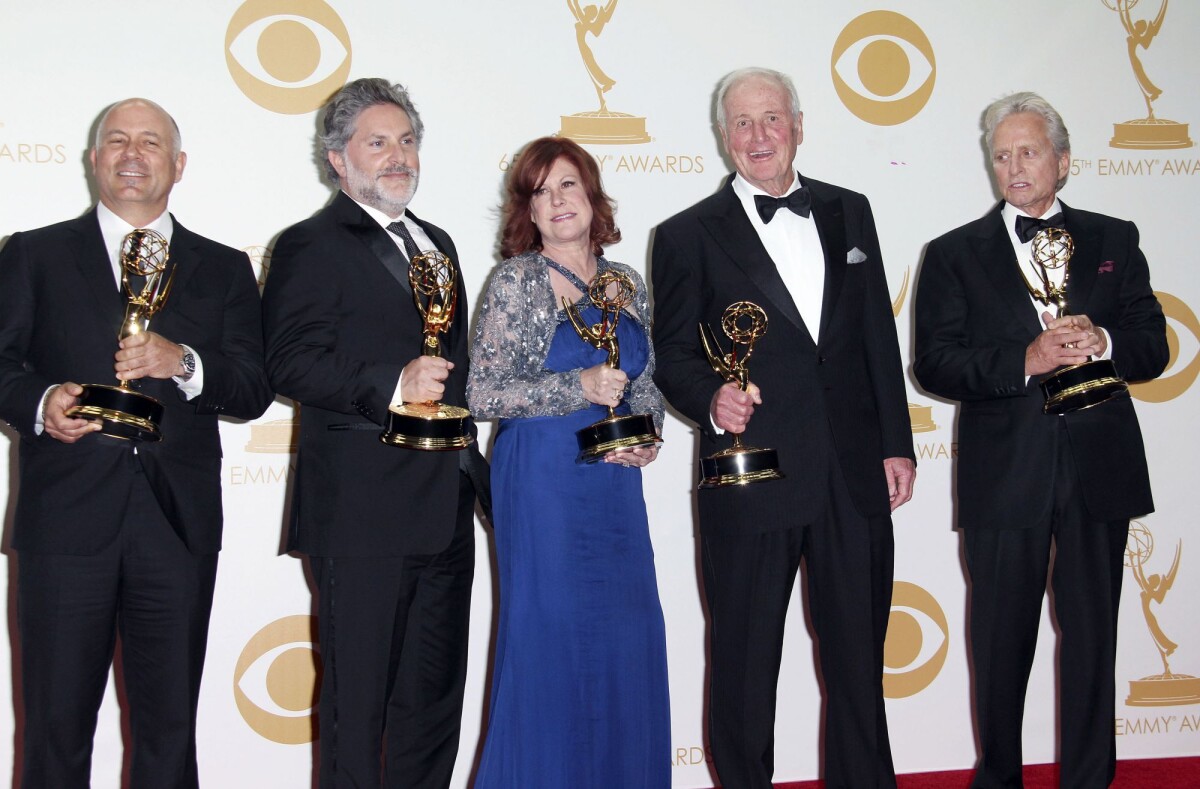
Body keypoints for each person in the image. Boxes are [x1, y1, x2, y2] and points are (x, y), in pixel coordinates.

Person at [651, 67, 915, 789]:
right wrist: (712, 399)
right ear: (722, 135)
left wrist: (896, 440)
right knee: (742, 663)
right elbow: (669, 354)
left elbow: (873, 338)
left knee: (860, 663)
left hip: (852, 475)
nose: (758, 135)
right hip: (750, 475)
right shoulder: (684, 235)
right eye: (742, 122)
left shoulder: (850, 211)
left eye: (771, 118)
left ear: (798, 124)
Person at [0, 98, 272, 787]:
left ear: (178, 166)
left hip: (175, 527)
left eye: (150, 142)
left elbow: (250, 386)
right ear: (93, 160)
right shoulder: (33, 252)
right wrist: (39, 401)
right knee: (54, 732)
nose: (131, 153)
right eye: (115, 140)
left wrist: (182, 360)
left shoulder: (223, 267)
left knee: (168, 735)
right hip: (61, 523)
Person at [913, 92, 1167, 788]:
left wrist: (1105, 340)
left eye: (1027, 152)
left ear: (1062, 159)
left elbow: (1154, 345)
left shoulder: (1116, 238)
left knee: (1093, 641)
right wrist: (1023, 360)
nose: (1014, 167)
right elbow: (934, 362)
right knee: (999, 643)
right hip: (1005, 472)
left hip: (1099, 466)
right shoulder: (954, 253)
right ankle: (999, 777)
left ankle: (1090, 778)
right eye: (1001, 155)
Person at [261, 78, 489, 788]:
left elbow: (456, 368)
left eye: (408, 141)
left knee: (432, 708)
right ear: (339, 158)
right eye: (378, 142)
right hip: (361, 515)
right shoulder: (308, 244)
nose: (398, 157)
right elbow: (287, 361)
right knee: (355, 712)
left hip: (446, 508)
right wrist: (393, 382)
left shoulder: (438, 242)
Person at [467, 136, 669, 787]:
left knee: (627, 637)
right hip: (541, 480)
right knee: (548, 641)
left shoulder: (625, 281)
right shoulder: (515, 282)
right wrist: (575, 387)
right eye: (541, 190)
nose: (557, 201)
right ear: (527, 208)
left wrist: (648, 434)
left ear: (592, 195)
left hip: (614, 486)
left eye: (568, 185)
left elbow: (645, 383)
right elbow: (482, 392)